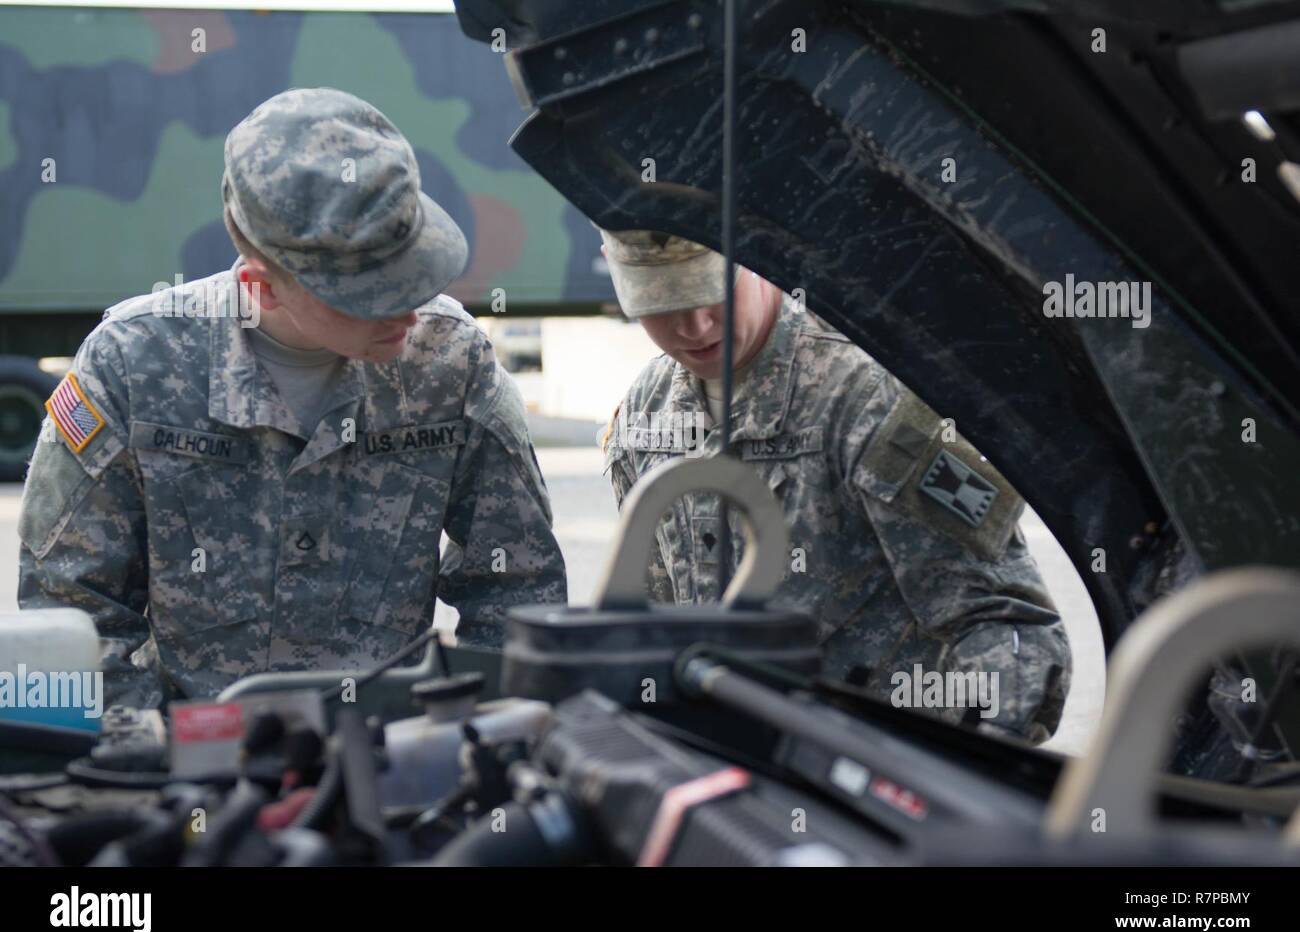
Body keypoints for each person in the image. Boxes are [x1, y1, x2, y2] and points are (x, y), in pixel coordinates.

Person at [18, 88, 566, 708]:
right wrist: (154, 765)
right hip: (193, 770)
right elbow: (70, 612)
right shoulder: (133, 363)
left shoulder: (451, 362)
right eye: (372, 292)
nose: (410, 309)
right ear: (263, 286)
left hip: (393, 763)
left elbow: (516, 591)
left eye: (415, 270)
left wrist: (474, 741)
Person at [598, 229, 1070, 743]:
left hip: (871, 771)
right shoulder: (647, 410)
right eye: (661, 302)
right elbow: (646, 624)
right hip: (724, 772)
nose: (694, 325)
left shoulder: (869, 393)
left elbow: (1007, 623)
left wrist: (978, 766)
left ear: (752, 256)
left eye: (709, 289)